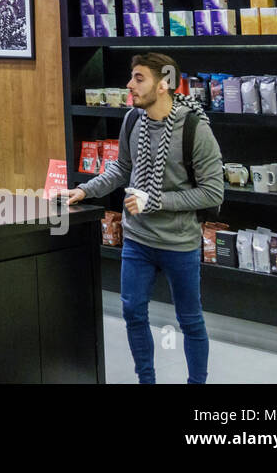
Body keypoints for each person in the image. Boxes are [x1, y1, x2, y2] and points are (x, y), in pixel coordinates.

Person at [66, 52, 223, 384]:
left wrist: (155, 200)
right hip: (137, 239)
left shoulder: (194, 129)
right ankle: (146, 380)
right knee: (133, 314)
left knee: (190, 321)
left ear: (164, 84)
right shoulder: (132, 120)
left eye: (139, 78)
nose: (130, 85)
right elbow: (123, 168)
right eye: (131, 77)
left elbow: (212, 193)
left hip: (179, 243)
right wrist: (85, 190)